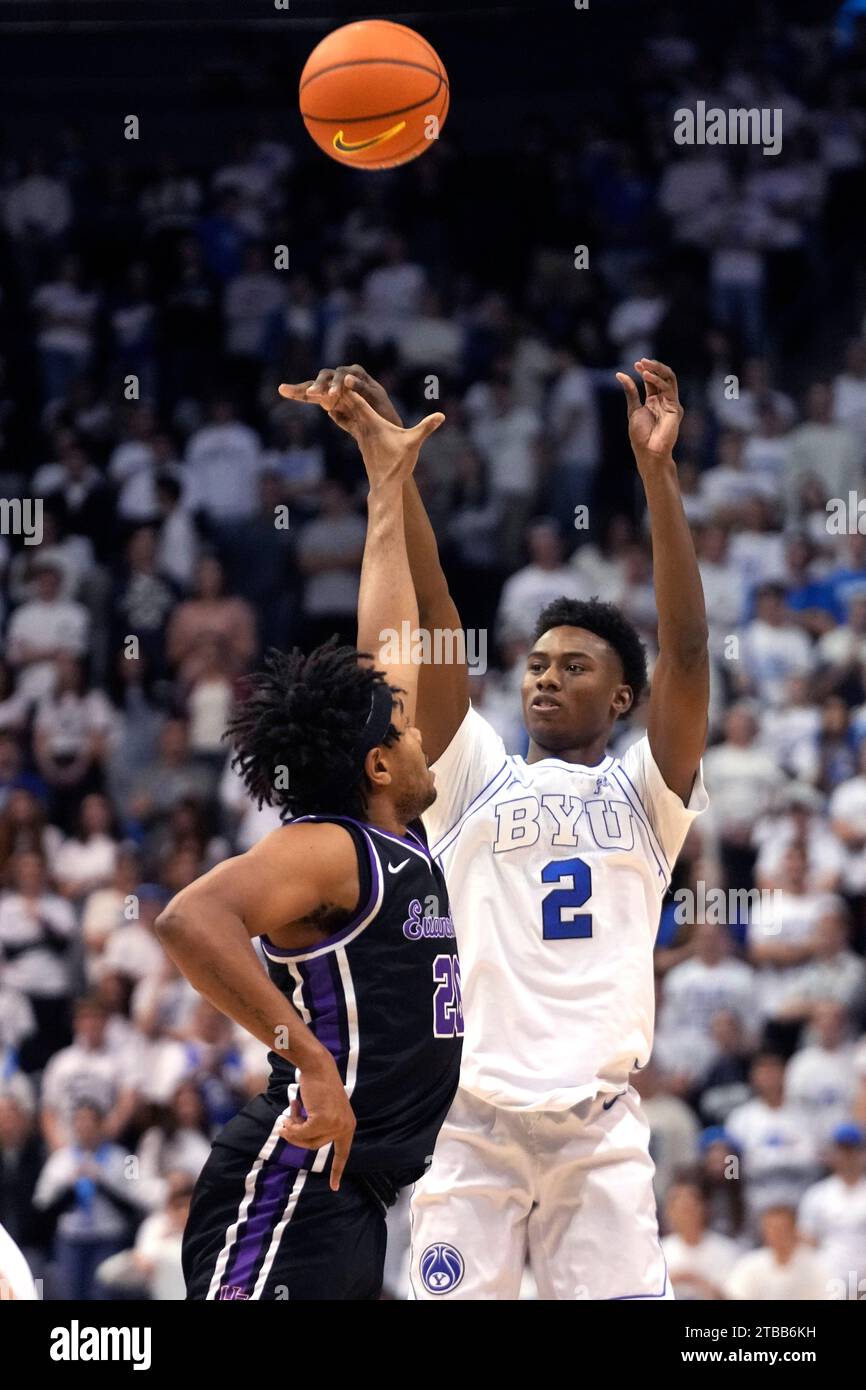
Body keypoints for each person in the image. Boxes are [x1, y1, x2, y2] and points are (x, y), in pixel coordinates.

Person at [288, 358, 708, 1300]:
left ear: (624, 697)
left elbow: (685, 648)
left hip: (597, 1130)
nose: (546, 677)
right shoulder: (472, 773)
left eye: (575, 665)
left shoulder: (648, 794)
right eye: (538, 663)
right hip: (469, 1125)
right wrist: (391, 466)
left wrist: (657, 476)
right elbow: (435, 620)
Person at [155, 391, 461, 1300]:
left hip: (352, 1193)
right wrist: (311, 1057)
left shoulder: (387, 834)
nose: (417, 731)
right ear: (376, 762)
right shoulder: (332, 848)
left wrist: (385, 480)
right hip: (294, 1182)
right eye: (401, 730)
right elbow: (189, 918)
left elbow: (386, 642)